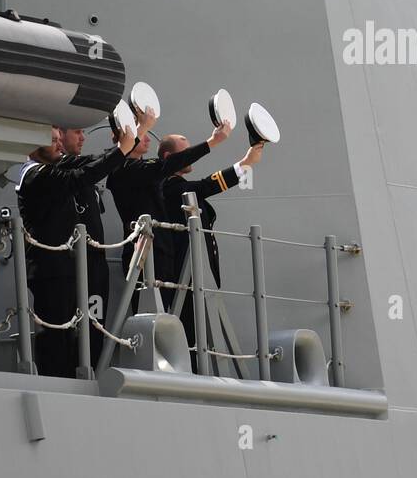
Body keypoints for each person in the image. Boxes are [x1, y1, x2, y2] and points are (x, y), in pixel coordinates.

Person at [16, 114, 153, 379]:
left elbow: (91, 162)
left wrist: (136, 133)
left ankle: (87, 380)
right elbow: (82, 176)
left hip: (77, 267)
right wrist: (124, 147)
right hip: (53, 272)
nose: (59, 145)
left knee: (88, 336)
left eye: (58, 139)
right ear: (33, 147)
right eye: (53, 141)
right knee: (58, 340)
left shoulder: (54, 167)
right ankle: (58, 387)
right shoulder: (35, 177)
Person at [158, 135, 265, 371]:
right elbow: (205, 186)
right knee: (187, 338)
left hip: (198, 279)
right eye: (186, 152)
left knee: (198, 339)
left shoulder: (176, 186)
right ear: (169, 158)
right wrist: (244, 164)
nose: (191, 155)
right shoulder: (167, 186)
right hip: (183, 279)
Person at [106, 119, 232, 312]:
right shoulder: (123, 170)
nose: (147, 139)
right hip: (145, 255)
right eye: (142, 132)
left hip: (162, 253)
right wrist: (211, 142)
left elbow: (163, 167)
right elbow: (169, 165)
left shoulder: (143, 170)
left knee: (166, 320)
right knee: (149, 319)